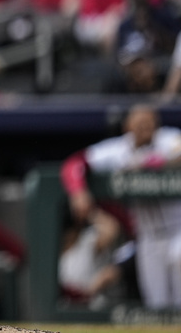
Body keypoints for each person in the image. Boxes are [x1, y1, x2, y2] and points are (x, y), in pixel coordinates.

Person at [60, 104, 181, 309]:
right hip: (148, 238)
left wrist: (150, 163)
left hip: (177, 232)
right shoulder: (118, 149)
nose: (145, 129)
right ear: (127, 127)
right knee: (156, 306)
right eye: (139, 124)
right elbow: (74, 164)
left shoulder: (168, 139)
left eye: (150, 124)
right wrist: (78, 191)